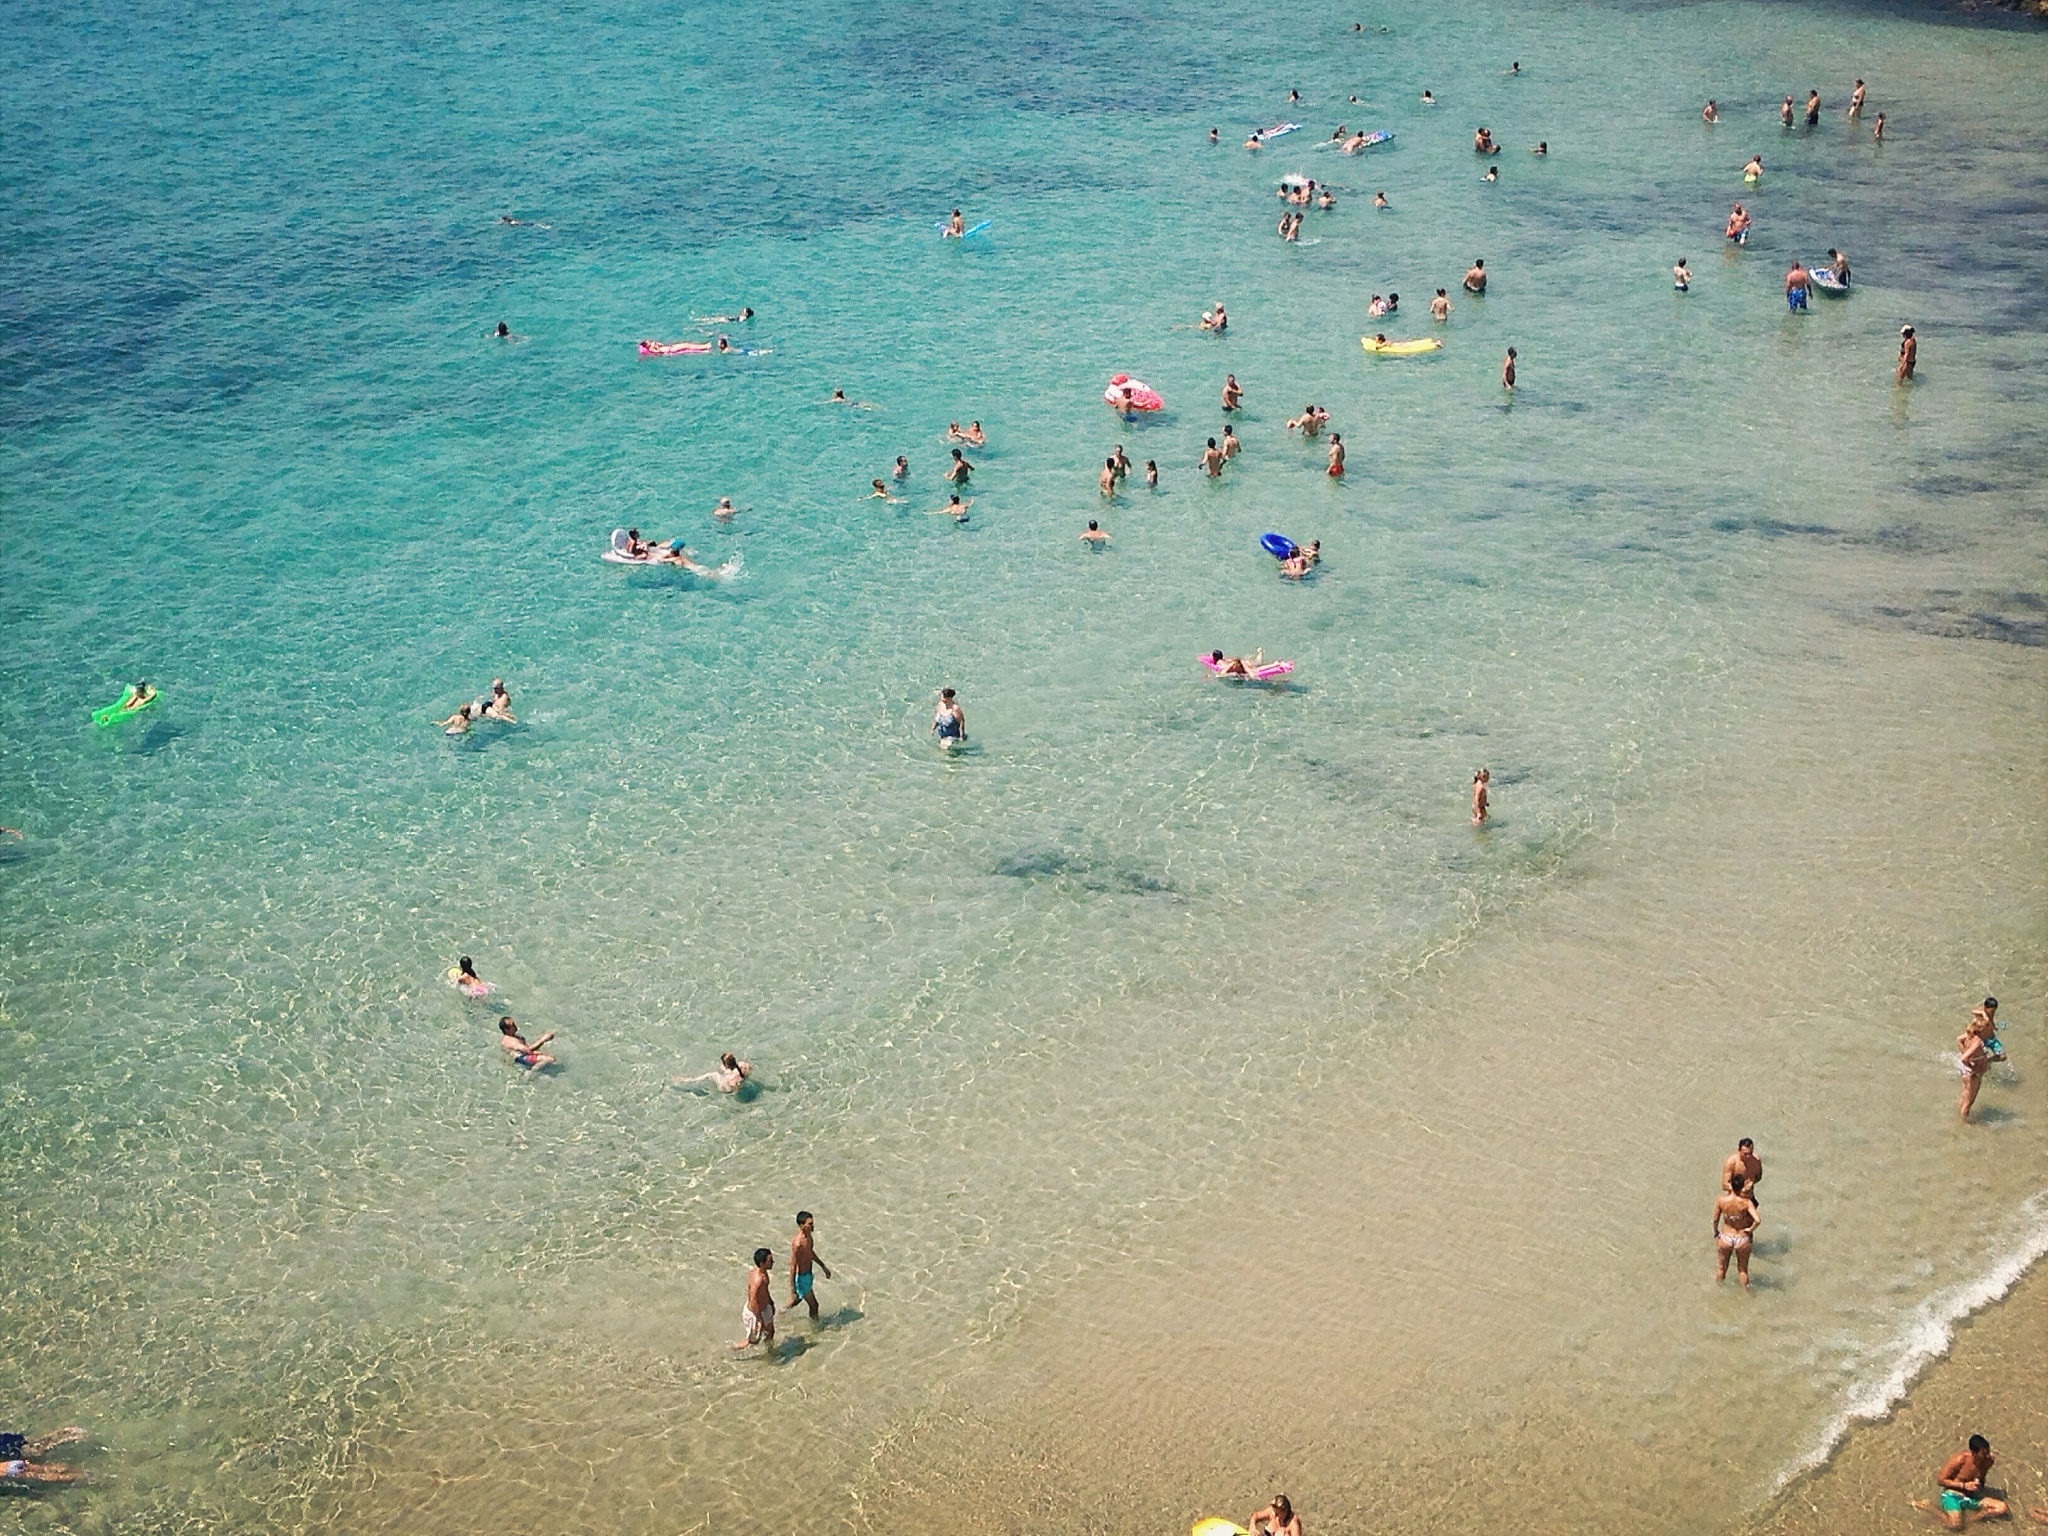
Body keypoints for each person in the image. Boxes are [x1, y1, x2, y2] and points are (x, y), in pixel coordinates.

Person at [1913, 1436, 2009, 1528]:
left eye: (1988, 1451)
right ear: (1973, 1453)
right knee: (1954, 1525)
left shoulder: (1989, 1461)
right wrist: (1964, 1485)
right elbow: (1940, 1480)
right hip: (1953, 1495)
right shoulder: (1960, 1459)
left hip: (1971, 1495)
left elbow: (1982, 1476)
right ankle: (1930, 1508)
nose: (1987, 1456)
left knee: (2002, 1507)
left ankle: (1971, 1520)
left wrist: (1979, 1487)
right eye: (1983, 1454)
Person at [0, 1427, 88, 1485]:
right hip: (11, 1464)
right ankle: (69, 1433)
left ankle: (84, 1476)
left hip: (11, 1470)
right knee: (47, 1467)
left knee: (47, 1476)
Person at [1714, 1173, 1759, 1287]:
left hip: (1726, 1236)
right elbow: (1757, 1220)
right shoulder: (1746, 1203)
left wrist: (1716, 1231)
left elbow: (1715, 1220)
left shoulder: (1721, 1200)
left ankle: (1719, 1289)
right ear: (1742, 1186)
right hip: (1741, 1237)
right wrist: (1750, 1229)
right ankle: (1746, 1294)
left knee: (1722, 1267)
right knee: (1743, 1270)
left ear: (1731, 1186)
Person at [789, 1212, 833, 1319]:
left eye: (812, 1223)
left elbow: (810, 1253)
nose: (813, 1226)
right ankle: (816, 1329)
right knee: (814, 1306)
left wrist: (823, 1266)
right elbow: (792, 1266)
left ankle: (779, 1314)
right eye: (810, 1224)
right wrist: (793, 1290)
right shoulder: (797, 1244)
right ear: (801, 1225)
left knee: (796, 1301)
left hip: (808, 1275)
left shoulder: (808, 1236)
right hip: (802, 1278)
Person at [734, 1248, 776, 1349]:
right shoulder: (758, 1281)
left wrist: (770, 1302)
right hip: (755, 1313)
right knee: (752, 1341)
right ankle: (732, 1349)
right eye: (770, 1261)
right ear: (762, 1263)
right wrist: (760, 1320)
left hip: (764, 1308)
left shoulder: (762, 1273)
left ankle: (770, 1352)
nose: (772, 1263)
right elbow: (753, 1301)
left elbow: (764, 1291)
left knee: (770, 1331)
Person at [1957, 1019, 1996, 1121]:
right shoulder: (1977, 1041)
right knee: (1969, 1100)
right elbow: (1964, 1058)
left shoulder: (1969, 1035)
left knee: (1964, 1094)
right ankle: (1963, 1123)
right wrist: (1972, 1066)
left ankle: (1960, 1116)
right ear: (1982, 1031)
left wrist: (1964, 1050)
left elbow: (1958, 1039)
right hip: (1973, 1072)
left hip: (1966, 1070)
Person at [1722, 1138, 1763, 1204]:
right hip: (1734, 1200)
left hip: (1749, 1198)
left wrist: (1752, 1182)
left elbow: (1758, 1177)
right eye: (1745, 1154)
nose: (1748, 1156)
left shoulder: (1756, 1161)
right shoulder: (1732, 1162)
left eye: (1750, 1153)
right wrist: (1741, 1191)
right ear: (1739, 1151)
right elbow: (1724, 1184)